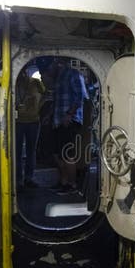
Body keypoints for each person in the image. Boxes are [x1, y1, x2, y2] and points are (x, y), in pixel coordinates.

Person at [51, 58, 89, 195]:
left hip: (69, 120)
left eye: (53, 64)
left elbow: (80, 97)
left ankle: (72, 185)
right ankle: (63, 182)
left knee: (68, 155)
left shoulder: (73, 74)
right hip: (58, 120)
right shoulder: (59, 77)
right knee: (58, 155)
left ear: (59, 62)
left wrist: (69, 114)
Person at [15, 66, 45, 189]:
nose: (22, 73)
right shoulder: (14, 83)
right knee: (16, 152)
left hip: (33, 121)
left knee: (30, 151)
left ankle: (28, 178)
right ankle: (18, 180)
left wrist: (39, 108)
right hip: (17, 122)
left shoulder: (36, 82)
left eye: (24, 70)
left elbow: (45, 93)